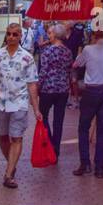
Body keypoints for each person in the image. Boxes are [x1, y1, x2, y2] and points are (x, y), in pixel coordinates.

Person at [0, 21, 41, 189]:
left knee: (16, 137)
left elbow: (32, 84)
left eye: (15, 34)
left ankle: (8, 174)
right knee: (3, 137)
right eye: (9, 34)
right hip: (0, 103)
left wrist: (36, 108)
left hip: (19, 103)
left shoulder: (27, 57)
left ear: (20, 37)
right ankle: (12, 164)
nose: (11, 37)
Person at [72, 32, 103, 179]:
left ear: (94, 36)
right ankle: (99, 168)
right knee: (102, 130)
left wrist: (80, 53)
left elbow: (76, 64)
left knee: (83, 128)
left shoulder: (88, 50)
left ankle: (85, 163)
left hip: (90, 92)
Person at [36, 24, 74, 158]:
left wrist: (37, 87)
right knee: (59, 120)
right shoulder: (68, 52)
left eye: (50, 33)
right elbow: (69, 71)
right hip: (63, 89)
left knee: (43, 116)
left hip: (48, 89)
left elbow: (43, 71)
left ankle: (50, 143)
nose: (48, 35)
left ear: (56, 35)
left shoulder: (48, 51)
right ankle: (56, 147)